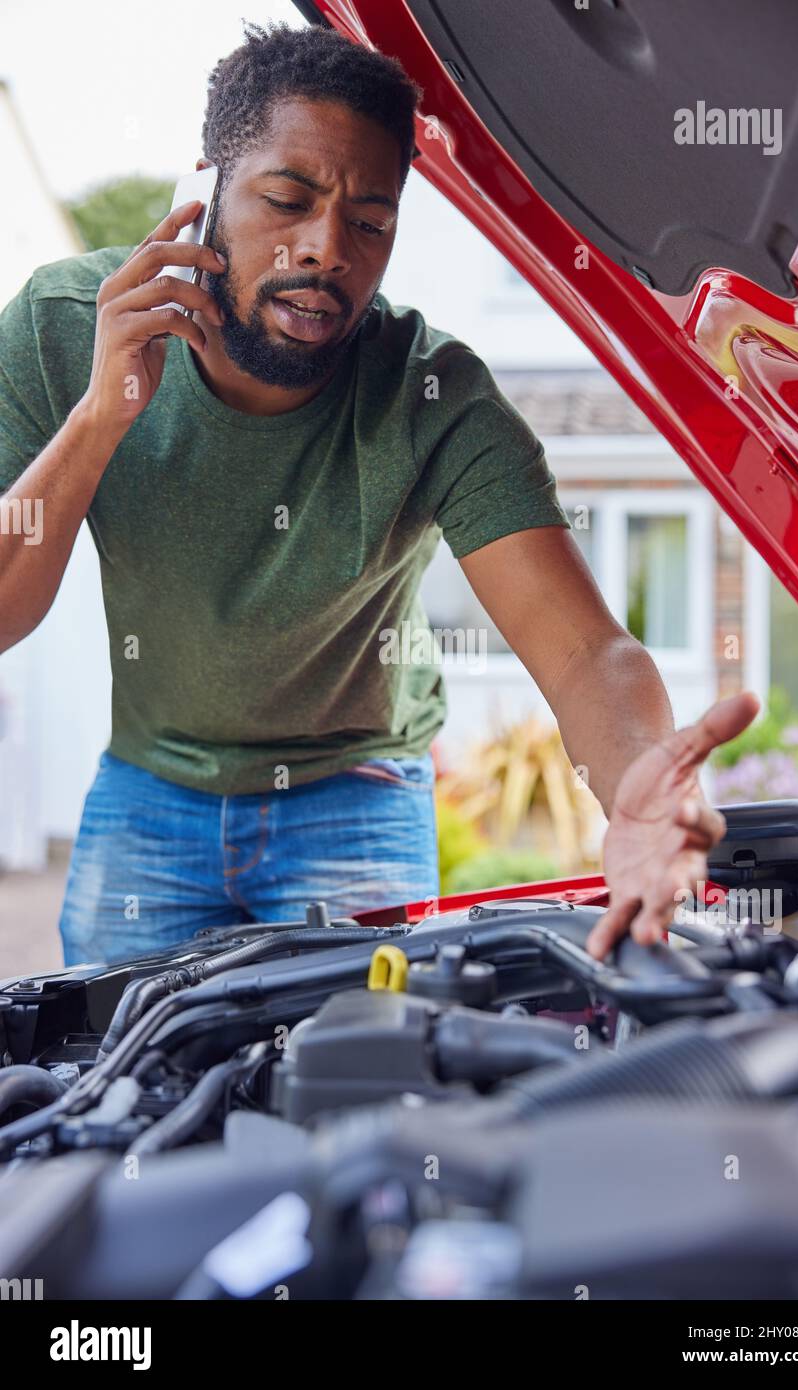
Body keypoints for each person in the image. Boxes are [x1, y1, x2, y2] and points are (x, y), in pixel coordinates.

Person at [0, 22, 757, 965]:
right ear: (203, 194)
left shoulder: (433, 393)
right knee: (115, 1088)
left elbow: (584, 650)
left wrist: (642, 780)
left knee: (369, 1085)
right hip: (149, 793)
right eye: (287, 199)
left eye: (370, 221)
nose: (326, 248)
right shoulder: (61, 328)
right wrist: (101, 419)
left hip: (356, 794)